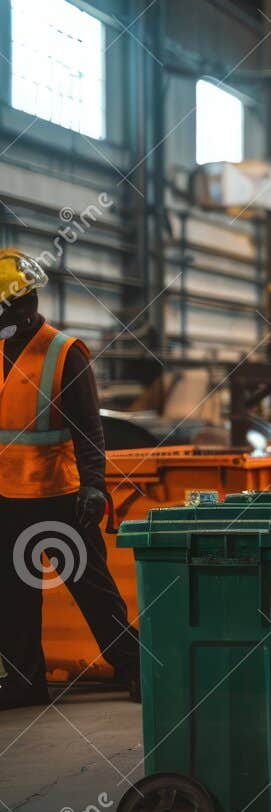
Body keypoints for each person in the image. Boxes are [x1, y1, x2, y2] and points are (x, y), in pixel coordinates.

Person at [0, 249, 140, 708]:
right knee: (13, 598)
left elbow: (88, 430)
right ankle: (25, 683)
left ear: (23, 304)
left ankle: (135, 669)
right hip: (6, 499)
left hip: (59, 497)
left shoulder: (63, 353)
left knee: (93, 592)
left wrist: (95, 486)